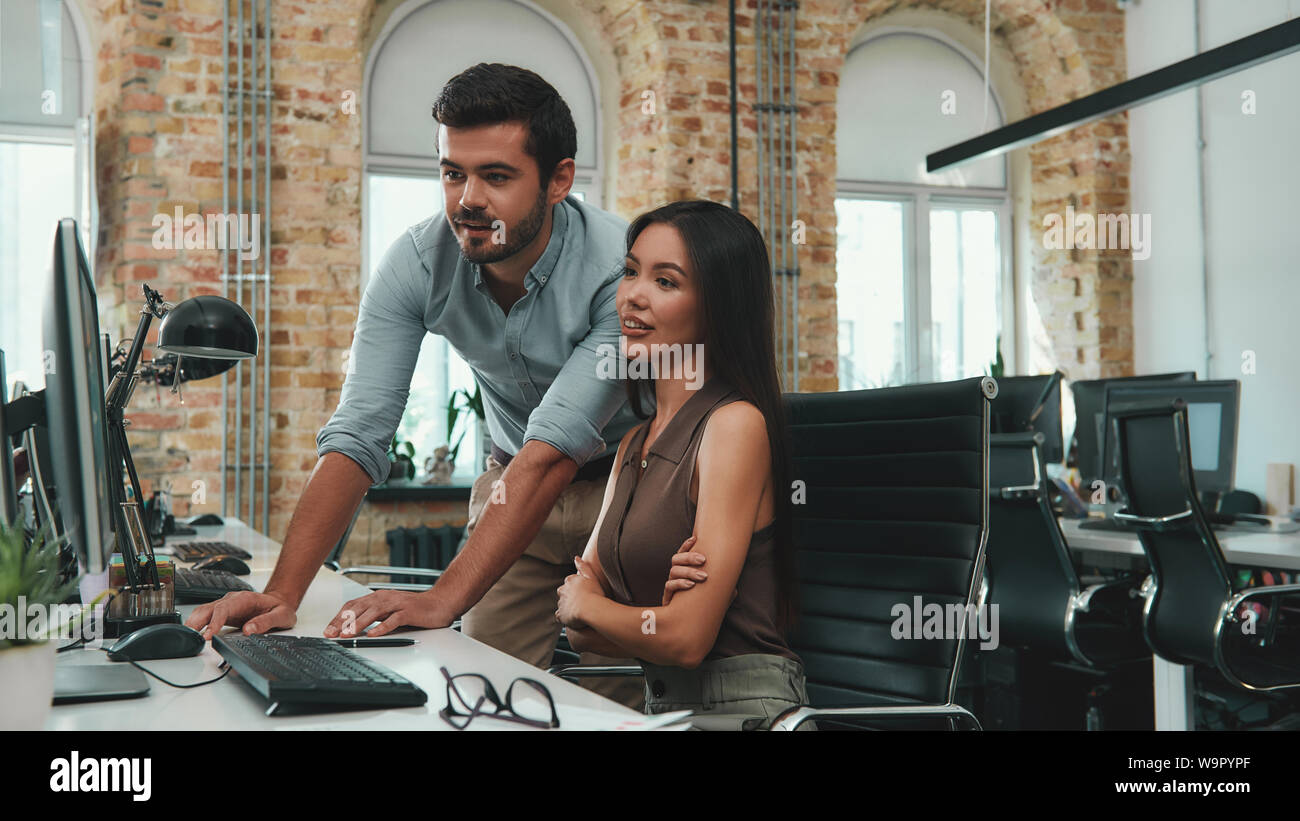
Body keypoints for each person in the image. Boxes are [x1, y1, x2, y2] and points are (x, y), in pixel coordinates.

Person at [185, 63, 650, 707]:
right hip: (511, 489)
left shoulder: (623, 269)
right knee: (482, 693)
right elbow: (358, 434)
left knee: (609, 704)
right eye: (452, 172)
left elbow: (554, 448)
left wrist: (440, 597)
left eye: (497, 176)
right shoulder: (416, 262)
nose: (467, 199)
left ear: (559, 180)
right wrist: (284, 592)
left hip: (625, 497)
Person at [554, 200, 808, 728]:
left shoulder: (734, 425)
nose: (633, 296)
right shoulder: (630, 446)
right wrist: (644, 616)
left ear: (719, 307)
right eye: (630, 272)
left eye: (665, 282)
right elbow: (579, 634)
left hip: (744, 712)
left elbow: (686, 639)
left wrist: (591, 603)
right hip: (668, 711)